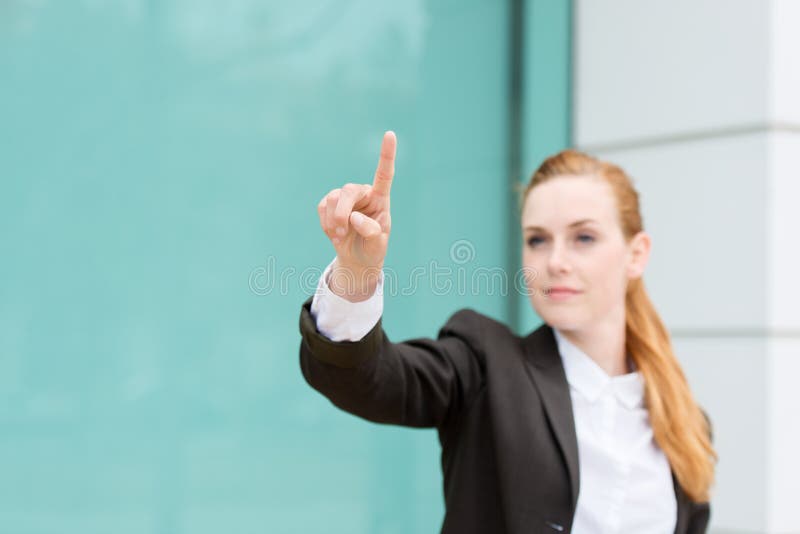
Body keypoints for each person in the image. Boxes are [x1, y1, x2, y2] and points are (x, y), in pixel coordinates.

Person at [297, 131, 717, 534]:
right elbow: (367, 380)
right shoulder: (485, 363)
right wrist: (357, 275)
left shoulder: (684, 423)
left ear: (636, 254)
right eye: (537, 240)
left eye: (583, 237)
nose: (555, 261)